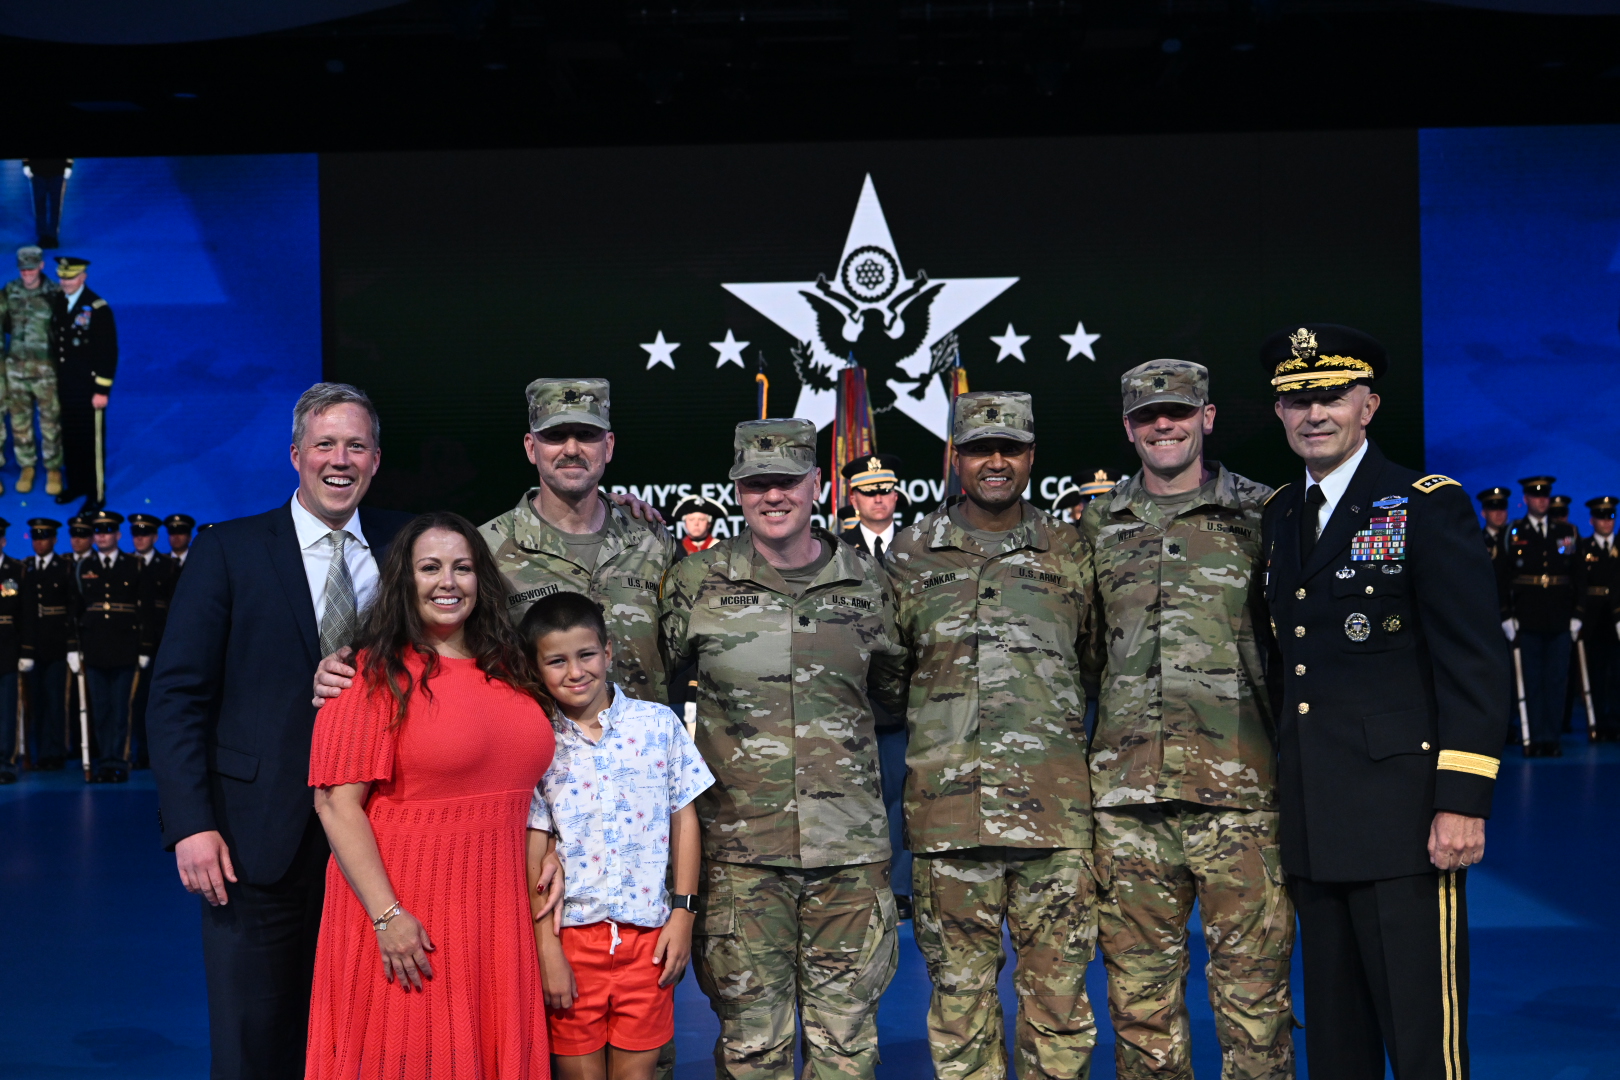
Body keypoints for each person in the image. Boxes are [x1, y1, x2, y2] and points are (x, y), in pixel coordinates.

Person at [1259, 324, 1508, 1080]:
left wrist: (1463, 800)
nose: (1314, 414)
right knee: (1337, 1043)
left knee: (1423, 1037)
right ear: (1277, 413)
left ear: (1368, 404)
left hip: (1405, 823)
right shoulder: (1277, 515)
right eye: (1296, 400)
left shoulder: (1424, 505)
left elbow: (1475, 662)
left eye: (1331, 396)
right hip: (1313, 821)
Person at [147, 383, 415, 1080]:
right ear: (295, 455)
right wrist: (190, 824)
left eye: (356, 446)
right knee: (253, 1043)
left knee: (361, 1040)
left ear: (376, 460)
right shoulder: (228, 550)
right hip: (251, 842)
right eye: (325, 444)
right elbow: (177, 696)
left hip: (378, 841)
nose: (340, 459)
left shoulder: (404, 550)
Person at [659, 418, 908, 1080]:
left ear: (818, 485)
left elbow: (895, 691)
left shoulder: (867, 583)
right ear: (737, 492)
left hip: (849, 860)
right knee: (752, 1052)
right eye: (757, 483)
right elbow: (651, 690)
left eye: (789, 481)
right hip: (741, 862)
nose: (774, 496)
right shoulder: (695, 583)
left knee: (847, 1052)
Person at [1081, 360, 1293, 1078]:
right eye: (1147, 415)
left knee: (1255, 999)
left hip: (1241, 800)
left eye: (1177, 411)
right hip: (1129, 803)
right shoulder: (1094, 525)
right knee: (1141, 1007)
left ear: (1207, 417)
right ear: (1128, 429)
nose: (1162, 425)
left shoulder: (1267, 513)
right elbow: (1084, 653)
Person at [885, 392, 1099, 1080]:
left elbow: (1095, 662)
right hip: (950, 822)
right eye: (980, 448)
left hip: (1055, 824)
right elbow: (889, 675)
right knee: (961, 1013)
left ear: (1032, 457)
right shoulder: (910, 554)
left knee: (1060, 1014)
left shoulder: (1071, 551)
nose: (996, 461)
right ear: (957, 457)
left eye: (1010, 448)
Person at [306, 510, 556, 1079]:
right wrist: (387, 916)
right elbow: (334, 804)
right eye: (430, 568)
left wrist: (550, 847)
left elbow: (523, 785)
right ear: (403, 580)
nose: (448, 582)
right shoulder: (368, 674)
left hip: (498, 913)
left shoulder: (511, 668)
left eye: (463, 568)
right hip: (407, 913)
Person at [523, 591, 714, 1080]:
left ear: (608, 651)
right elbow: (535, 843)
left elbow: (684, 819)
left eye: (586, 655)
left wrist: (683, 915)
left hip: (647, 939)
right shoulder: (537, 738)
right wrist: (547, 949)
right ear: (536, 667)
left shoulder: (658, 724)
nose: (575, 671)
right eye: (557, 661)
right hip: (572, 941)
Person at [1502, 475, 1582, 756]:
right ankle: (1534, 738)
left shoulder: (1567, 532)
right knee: (1532, 680)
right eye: (1535, 496)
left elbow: (1577, 576)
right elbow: (1504, 576)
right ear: (1525, 500)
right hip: (1528, 618)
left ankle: (1552, 738)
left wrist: (1577, 615)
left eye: (1545, 496)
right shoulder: (1514, 532)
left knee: (1557, 681)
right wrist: (1506, 615)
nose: (1541, 500)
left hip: (1559, 619)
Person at [73, 510, 145, 783]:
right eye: (98, 531)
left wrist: (145, 647)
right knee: (100, 709)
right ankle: (104, 760)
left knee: (120, 709)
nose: (101, 535)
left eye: (107, 531)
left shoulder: (133, 565)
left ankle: (119, 760)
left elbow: (144, 609)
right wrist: (74, 647)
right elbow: (76, 608)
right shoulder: (84, 565)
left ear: (117, 534)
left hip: (125, 646)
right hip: (94, 648)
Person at [51, 256, 116, 510]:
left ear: (83, 277)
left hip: (90, 390)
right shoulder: (59, 301)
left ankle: (96, 494)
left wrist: (102, 389)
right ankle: (77, 485)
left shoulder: (98, 309)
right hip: (66, 387)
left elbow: (108, 352)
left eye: (70, 277)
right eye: (63, 277)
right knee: (71, 438)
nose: (65, 282)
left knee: (92, 442)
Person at [2, 245, 64, 497]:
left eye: (31, 268)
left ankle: (53, 468)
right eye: (23, 269)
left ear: (41, 266)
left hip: (46, 371)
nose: (27, 273)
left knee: (51, 422)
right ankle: (27, 465)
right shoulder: (10, 291)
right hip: (15, 370)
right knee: (19, 422)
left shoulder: (55, 294)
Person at [19, 517, 72, 770]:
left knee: (55, 702)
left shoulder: (65, 567)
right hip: (33, 646)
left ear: (53, 539)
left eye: (44, 537)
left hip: (57, 644)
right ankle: (39, 751)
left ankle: (56, 752)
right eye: (36, 538)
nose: (39, 542)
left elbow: (71, 607)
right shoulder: (26, 568)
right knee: (36, 703)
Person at [128, 513, 177, 769]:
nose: (140, 538)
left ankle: (156, 754)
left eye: (145, 534)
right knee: (133, 704)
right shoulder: (126, 564)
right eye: (136, 534)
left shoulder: (167, 565)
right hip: (130, 643)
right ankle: (139, 753)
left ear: (155, 537)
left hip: (160, 645)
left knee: (158, 702)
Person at [1578, 496, 1620, 742]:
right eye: (1602, 517)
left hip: (1617, 619)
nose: (1607, 521)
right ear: (1592, 520)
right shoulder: (1584, 547)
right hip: (1594, 620)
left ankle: (1615, 721)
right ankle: (1597, 721)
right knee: (1595, 673)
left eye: (1611, 516)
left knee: (1617, 673)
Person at [838, 454, 903, 558]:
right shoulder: (837, 549)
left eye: (885, 491)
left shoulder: (918, 545)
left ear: (895, 496)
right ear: (854, 501)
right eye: (869, 492)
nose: (878, 500)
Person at [0, 519, 20, 783]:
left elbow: (24, 614)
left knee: (6, 710)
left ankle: (5, 762)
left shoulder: (16, 570)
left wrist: (25, 651)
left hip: (6, 650)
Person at [22, 158, 72, 248]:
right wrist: (26, 163)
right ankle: (42, 235)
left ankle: (53, 236)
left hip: (58, 170)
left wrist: (69, 165)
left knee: (56, 205)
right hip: (37, 170)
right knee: (39, 204)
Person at [672, 493, 726, 558]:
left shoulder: (720, 547)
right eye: (691, 519)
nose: (696, 523)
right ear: (685, 524)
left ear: (709, 524)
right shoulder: (676, 548)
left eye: (701, 519)